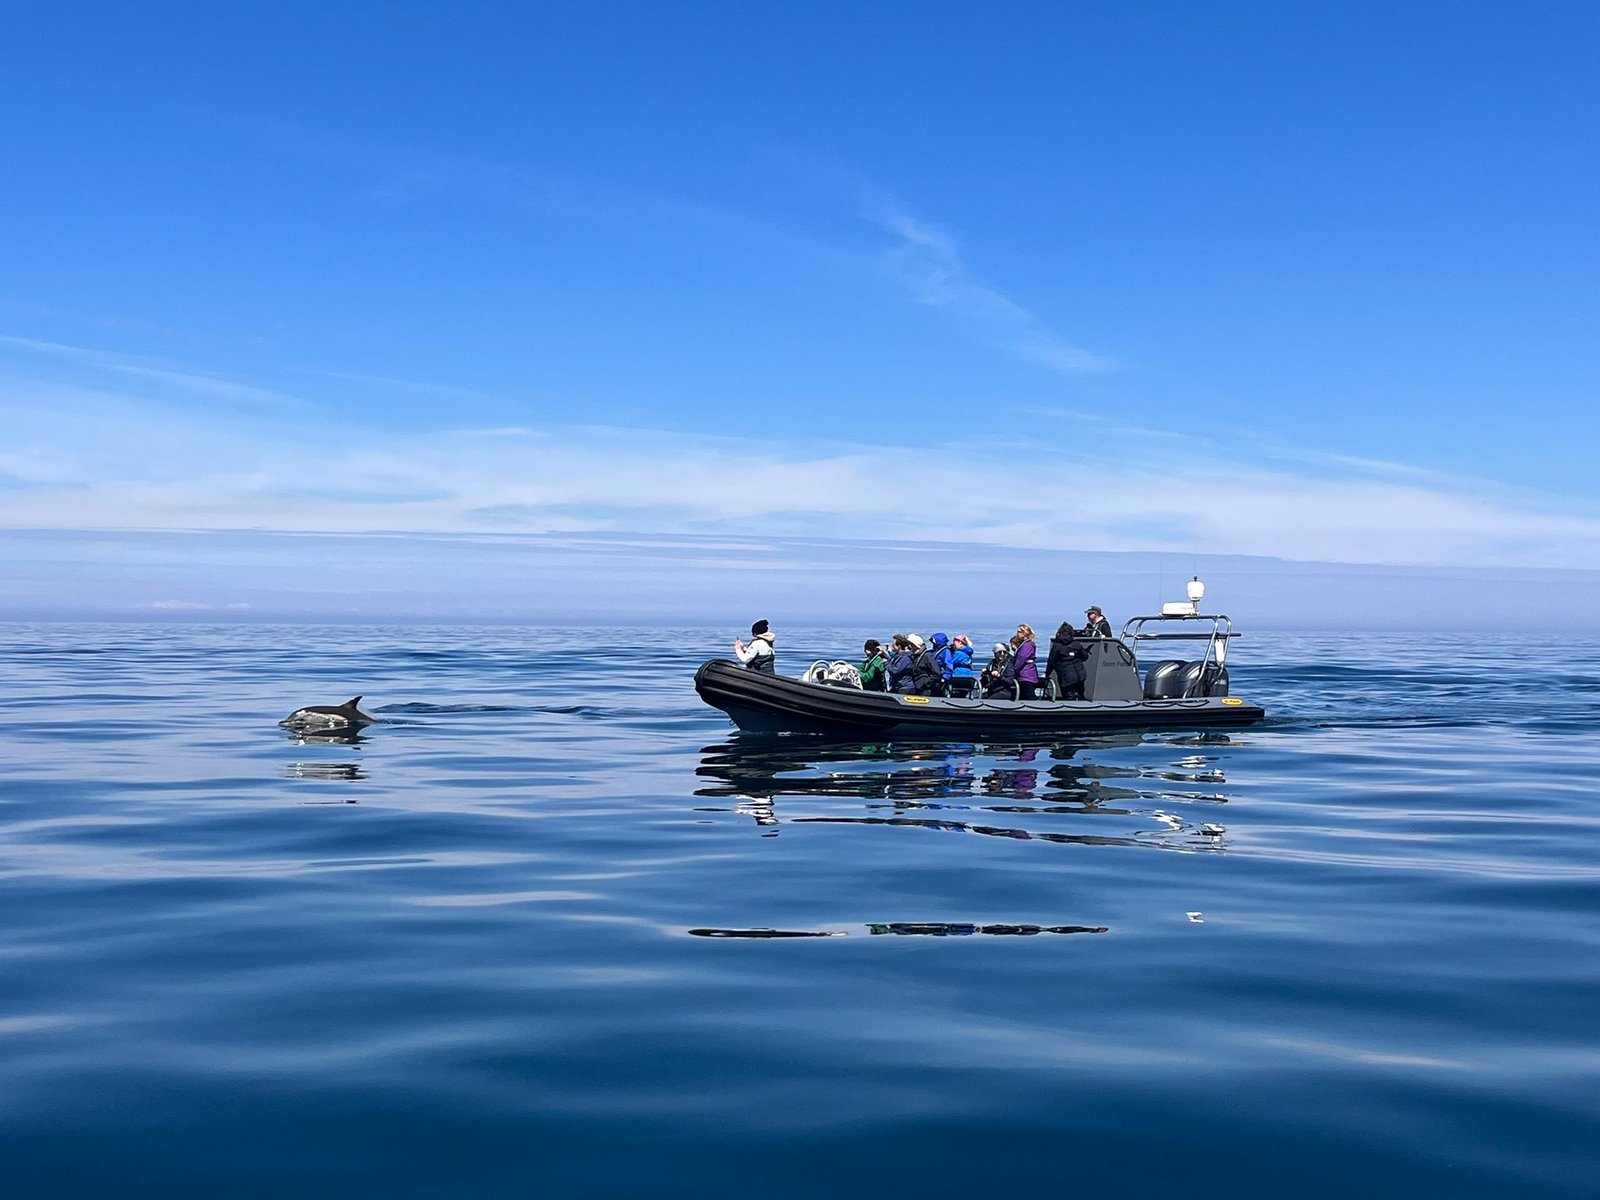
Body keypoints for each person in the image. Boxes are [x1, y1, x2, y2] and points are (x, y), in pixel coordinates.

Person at [1046, 621, 1087, 700]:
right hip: (1080, 674)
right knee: (1081, 695)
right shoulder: (1076, 644)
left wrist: (1047, 674)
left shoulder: (1057, 646)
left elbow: (1051, 662)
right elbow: (1085, 656)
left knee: (1068, 697)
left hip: (1065, 676)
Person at [1013, 623, 1039, 699]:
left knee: (1029, 695)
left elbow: (1022, 658)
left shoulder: (1027, 645)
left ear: (1025, 633)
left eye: (1019, 632)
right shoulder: (1025, 644)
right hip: (1025, 675)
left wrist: (1014, 669)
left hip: (1026, 675)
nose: (1017, 634)